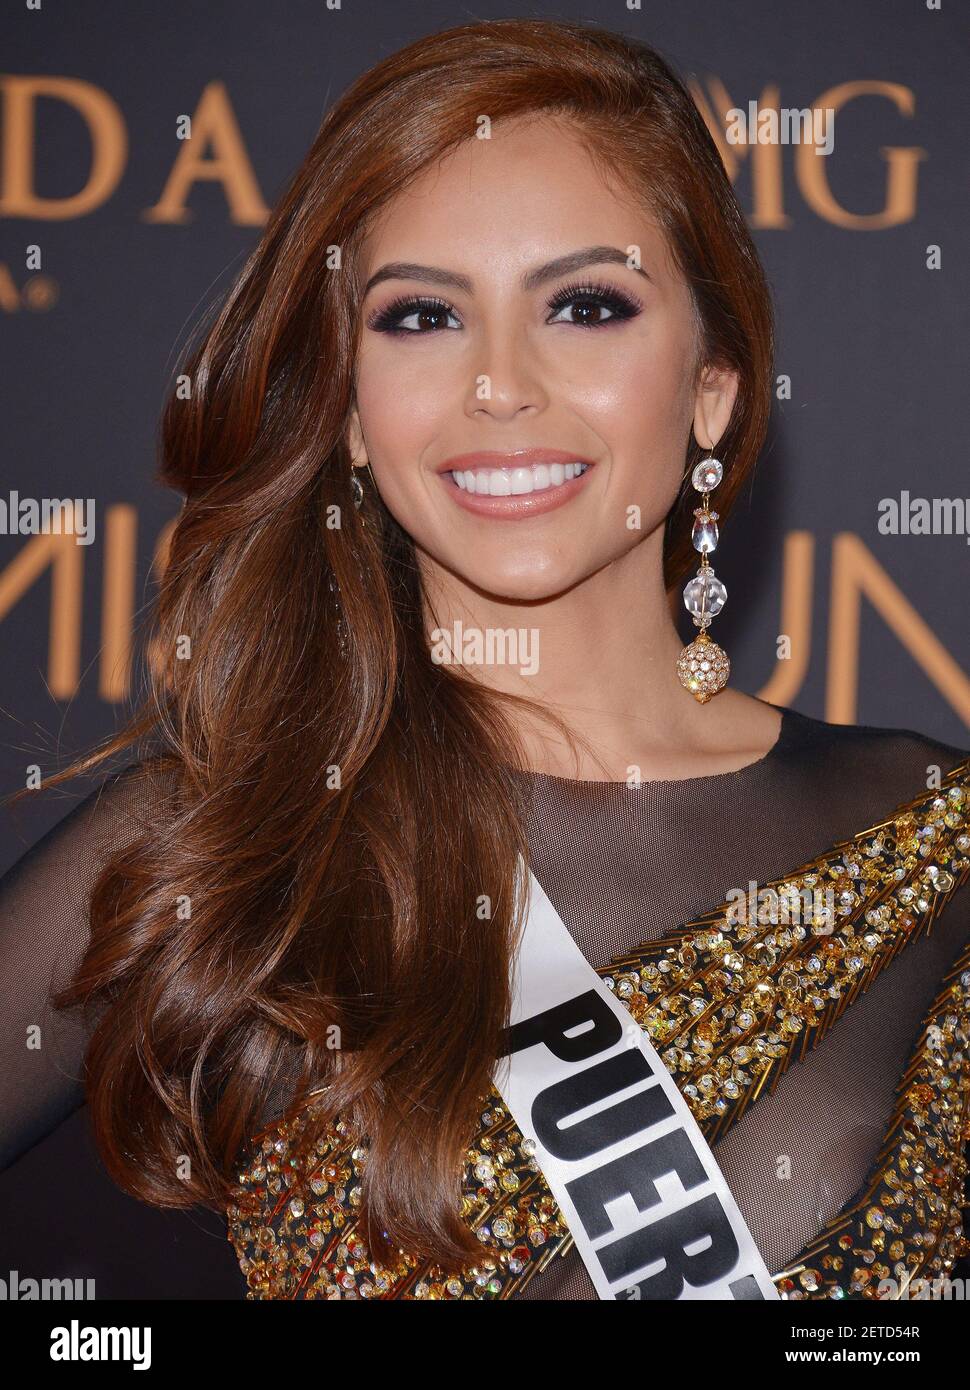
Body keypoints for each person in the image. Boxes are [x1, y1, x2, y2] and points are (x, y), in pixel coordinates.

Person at [1, 18, 968, 1302]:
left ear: (713, 389)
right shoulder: (233, 835)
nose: (499, 384)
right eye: (420, 316)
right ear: (348, 411)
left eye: (585, 304)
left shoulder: (938, 837)